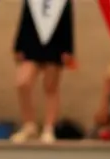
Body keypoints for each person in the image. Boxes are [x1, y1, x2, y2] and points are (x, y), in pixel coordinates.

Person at [10, 0, 74, 144]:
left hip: (55, 41)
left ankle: (48, 129)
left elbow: (68, 21)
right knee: (22, 82)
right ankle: (29, 125)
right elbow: (24, 19)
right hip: (32, 42)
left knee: (51, 87)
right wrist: (18, 46)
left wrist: (68, 49)